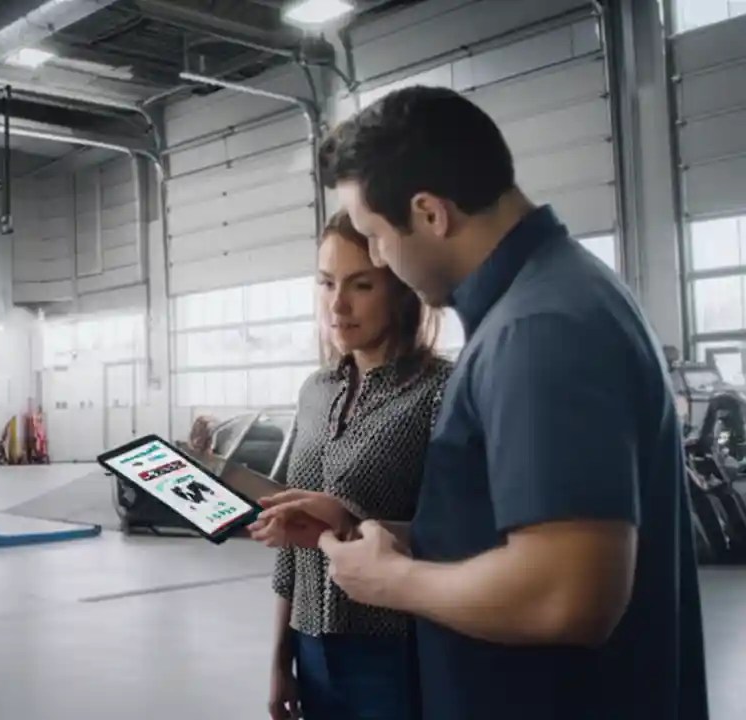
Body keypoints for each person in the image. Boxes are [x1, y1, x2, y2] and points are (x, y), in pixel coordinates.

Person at [251, 86, 709, 720]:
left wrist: (395, 583)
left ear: (431, 214)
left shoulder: (538, 328)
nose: (380, 256)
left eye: (378, 237)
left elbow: (567, 593)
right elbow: (515, 538)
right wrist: (375, 531)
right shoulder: (554, 297)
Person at [194, 210, 451, 720]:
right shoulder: (315, 391)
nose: (338, 305)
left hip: (395, 649)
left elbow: (457, 535)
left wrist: (351, 523)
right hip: (310, 649)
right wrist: (280, 659)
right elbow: (292, 552)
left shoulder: (439, 390)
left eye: (361, 285)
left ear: (399, 292)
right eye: (326, 283)